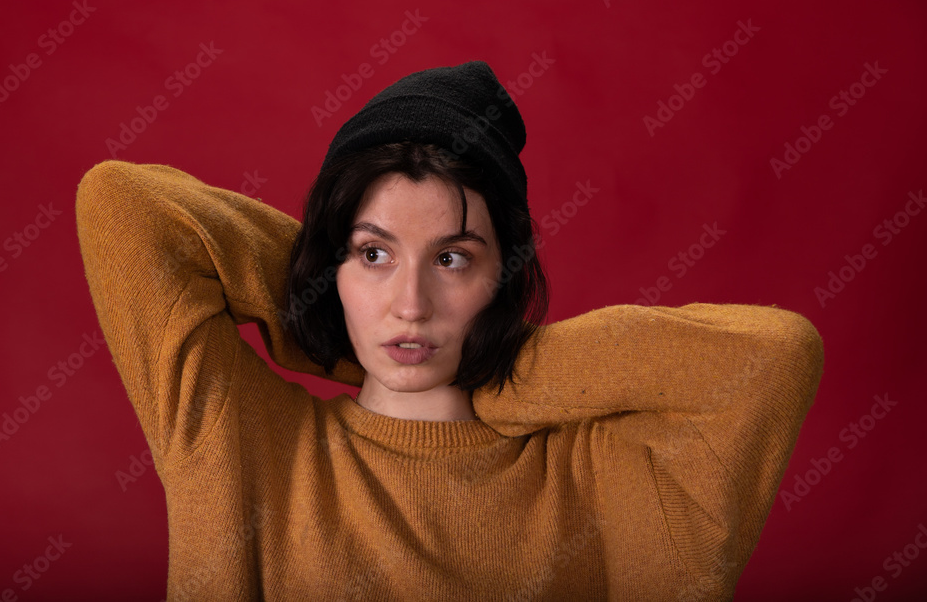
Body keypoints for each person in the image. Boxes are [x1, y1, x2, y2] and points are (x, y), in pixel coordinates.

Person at [76, 60, 824, 600]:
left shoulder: (597, 475)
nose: (410, 302)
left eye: (453, 258)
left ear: (504, 275)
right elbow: (123, 205)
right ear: (331, 265)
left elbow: (775, 358)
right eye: (373, 253)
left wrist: (503, 370)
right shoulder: (245, 442)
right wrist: (323, 314)